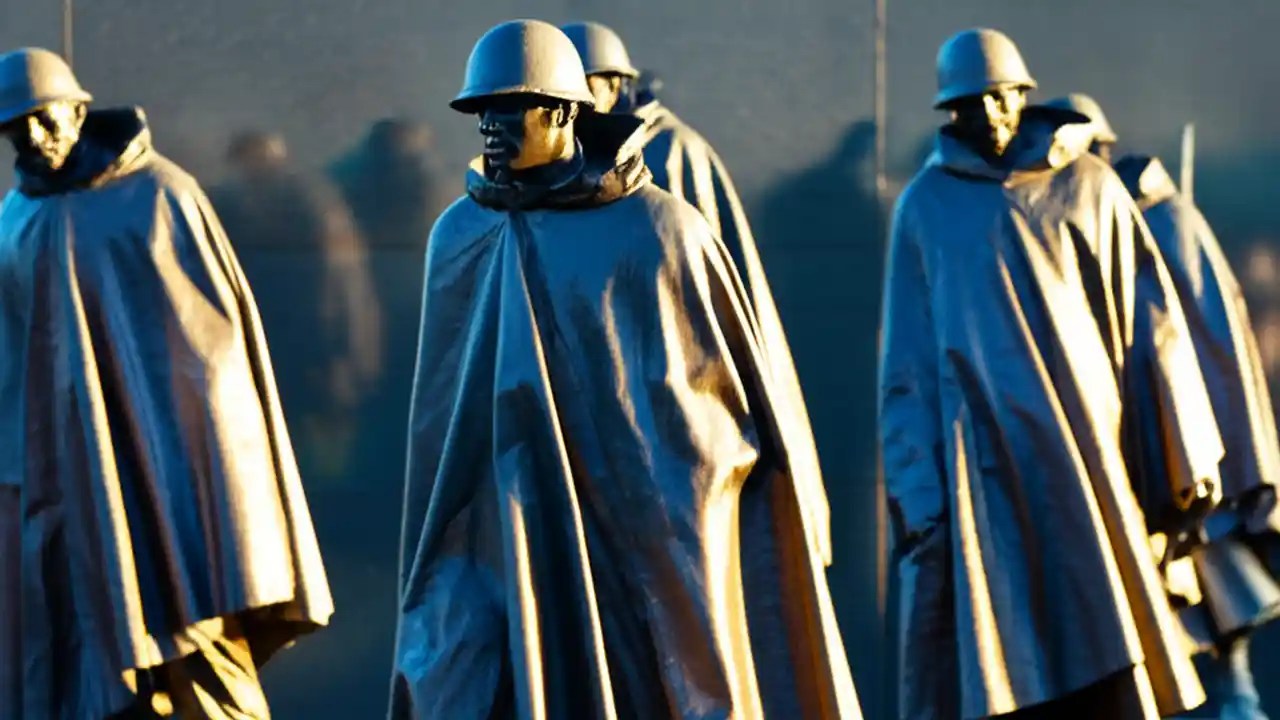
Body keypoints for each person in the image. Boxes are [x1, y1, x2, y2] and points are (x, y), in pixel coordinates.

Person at [389, 20, 860, 720]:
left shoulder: (661, 229)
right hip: (499, 537)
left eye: (509, 105)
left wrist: (668, 498)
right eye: (480, 109)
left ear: (563, 110)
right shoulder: (462, 234)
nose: (490, 124)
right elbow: (441, 434)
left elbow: (724, 405)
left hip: (646, 531)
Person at [880, 29, 1222, 719]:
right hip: (983, 466)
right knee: (1000, 652)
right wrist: (918, 492)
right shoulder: (926, 207)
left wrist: (1184, 455)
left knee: (1106, 634)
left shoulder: (1089, 186)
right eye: (971, 104)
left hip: (1087, 450)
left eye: (1001, 98)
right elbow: (907, 365)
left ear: (1024, 95)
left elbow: (1150, 326)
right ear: (951, 111)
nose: (991, 116)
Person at [0, 48, 332, 719]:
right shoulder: (17, 220)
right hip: (62, 487)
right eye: (15, 128)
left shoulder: (158, 196)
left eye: (43, 118)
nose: (34, 137)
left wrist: (192, 477)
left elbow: (210, 360)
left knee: (195, 648)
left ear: (78, 108)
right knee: (80, 655)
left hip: (168, 479)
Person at [561, 19, 830, 564]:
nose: (583, 104)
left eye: (595, 85)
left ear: (619, 85)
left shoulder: (672, 154)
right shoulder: (558, 165)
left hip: (676, 395)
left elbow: (712, 298)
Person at [1049, 92, 1280, 720]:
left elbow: (1210, 338)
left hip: (1193, 436)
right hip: (1136, 435)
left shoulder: (1161, 217)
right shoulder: (1083, 218)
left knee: (1216, 583)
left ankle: (1236, 694)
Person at [211, 130, 383, 483]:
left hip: (307, 349)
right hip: (274, 345)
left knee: (309, 458)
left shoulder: (309, 206)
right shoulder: (233, 207)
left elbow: (341, 285)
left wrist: (346, 352)